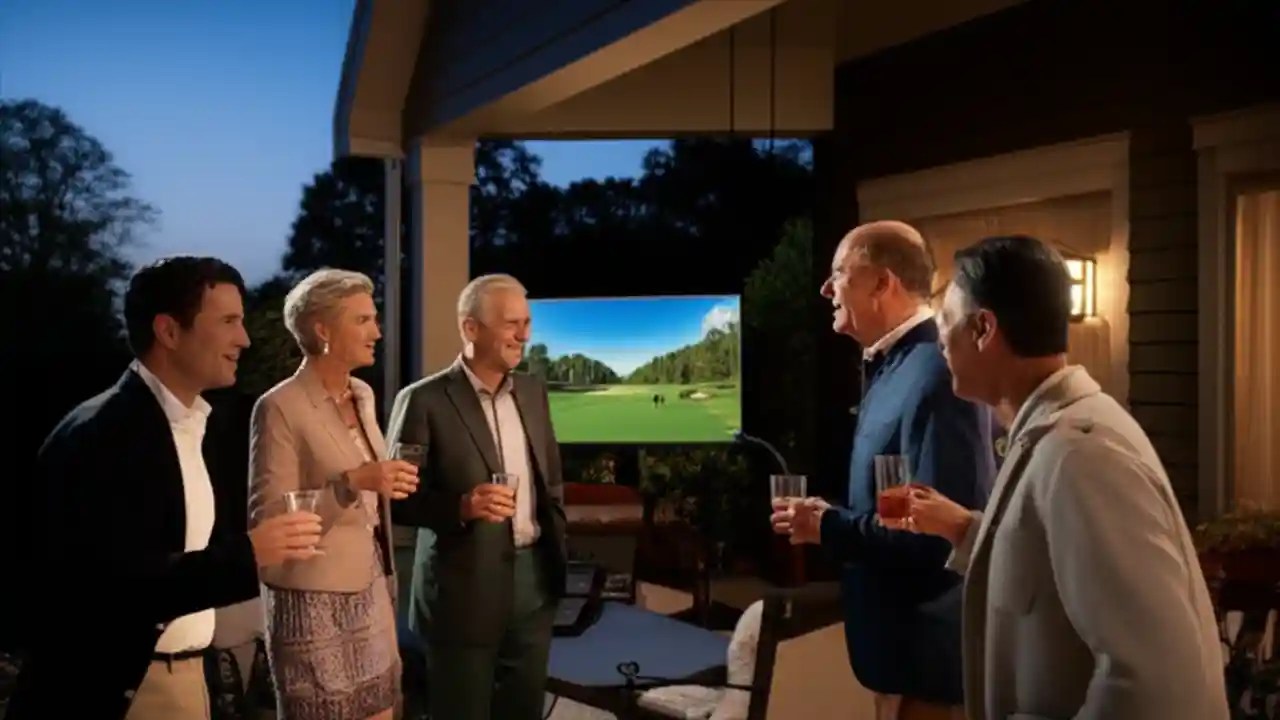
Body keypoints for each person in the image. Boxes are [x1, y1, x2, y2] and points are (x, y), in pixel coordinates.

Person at [898, 235, 1228, 719]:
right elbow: (1045, 572)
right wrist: (967, 530)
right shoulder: (1051, 436)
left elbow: (1151, 680)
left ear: (984, 328)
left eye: (945, 320)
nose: (939, 340)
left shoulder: (1081, 454)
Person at [7, 256, 323, 720]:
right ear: (169, 332)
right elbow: (108, 586)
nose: (245, 339)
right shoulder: (102, 434)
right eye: (229, 321)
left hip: (185, 679)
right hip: (119, 689)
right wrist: (249, 554)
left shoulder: (195, 425)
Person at [772, 221, 995, 720]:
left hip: (928, 669)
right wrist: (831, 517)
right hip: (899, 663)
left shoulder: (936, 373)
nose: (826, 289)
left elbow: (939, 536)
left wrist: (827, 526)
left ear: (882, 283)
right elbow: (899, 506)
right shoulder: (897, 366)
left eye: (839, 274)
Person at [386, 272, 568, 720]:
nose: (524, 334)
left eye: (526, 322)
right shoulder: (423, 400)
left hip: (534, 583)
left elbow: (551, 483)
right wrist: (462, 506)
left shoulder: (533, 392)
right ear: (470, 328)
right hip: (461, 593)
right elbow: (396, 498)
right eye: (511, 324)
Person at [249, 269, 419, 720]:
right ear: (322, 330)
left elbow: (371, 496)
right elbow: (269, 520)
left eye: (376, 319)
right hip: (312, 602)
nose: (377, 332)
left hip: (373, 591)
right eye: (363, 320)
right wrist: (351, 483)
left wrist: (381, 484)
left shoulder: (362, 394)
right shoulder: (278, 407)